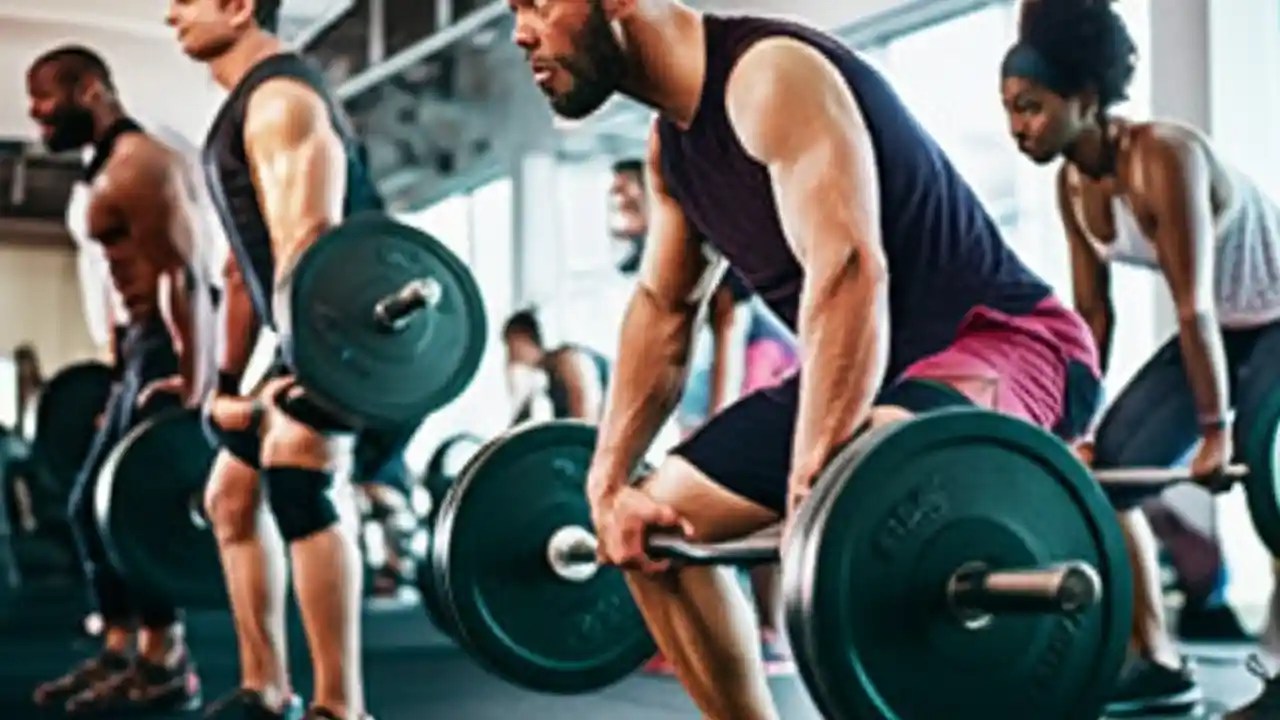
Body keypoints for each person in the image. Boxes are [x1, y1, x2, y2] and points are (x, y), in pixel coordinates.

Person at [511, 1, 1101, 716]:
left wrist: (813, 485)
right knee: (650, 526)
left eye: (539, 3)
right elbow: (665, 313)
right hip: (872, 371)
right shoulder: (673, 151)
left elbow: (848, 269)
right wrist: (604, 484)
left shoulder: (768, 76)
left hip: (1010, 343)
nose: (521, 32)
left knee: (875, 492)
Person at [1000, 1, 1280, 717]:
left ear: (1085, 100)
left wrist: (1217, 431)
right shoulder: (1071, 185)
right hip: (1233, 326)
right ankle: (1156, 660)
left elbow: (1194, 307)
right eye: (1009, 110)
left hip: (1272, 314)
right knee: (1107, 474)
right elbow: (1092, 317)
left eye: (1031, 108)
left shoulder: (1164, 156)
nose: (1017, 127)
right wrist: (1075, 427)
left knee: (1264, 480)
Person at [167, 0, 391, 717]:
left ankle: (341, 706)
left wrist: (288, 384)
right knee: (229, 496)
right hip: (306, 325)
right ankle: (266, 690)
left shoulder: (280, 100)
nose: (172, 14)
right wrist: (226, 383)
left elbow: (311, 239)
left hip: (352, 330)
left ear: (237, 7)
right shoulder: (243, 107)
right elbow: (243, 267)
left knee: (298, 474)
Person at [24, 44, 217, 715]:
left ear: (88, 88)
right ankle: (124, 650)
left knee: (120, 506)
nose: (34, 112)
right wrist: (117, 374)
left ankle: (164, 661)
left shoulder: (141, 166)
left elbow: (187, 277)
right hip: (139, 350)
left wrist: (193, 390)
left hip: (166, 348)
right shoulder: (101, 167)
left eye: (44, 97)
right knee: (92, 508)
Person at [608, 157, 798, 674]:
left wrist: (719, 427)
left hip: (766, 362)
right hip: (742, 364)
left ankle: (773, 636)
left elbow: (731, 328)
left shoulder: (706, 234)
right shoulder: (664, 253)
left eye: (626, 190)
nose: (617, 200)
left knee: (744, 491)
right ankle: (725, 636)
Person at [502, 308, 610, 423]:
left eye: (511, 344)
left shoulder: (569, 360)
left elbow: (587, 416)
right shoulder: (549, 376)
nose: (510, 355)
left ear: (524, 338)